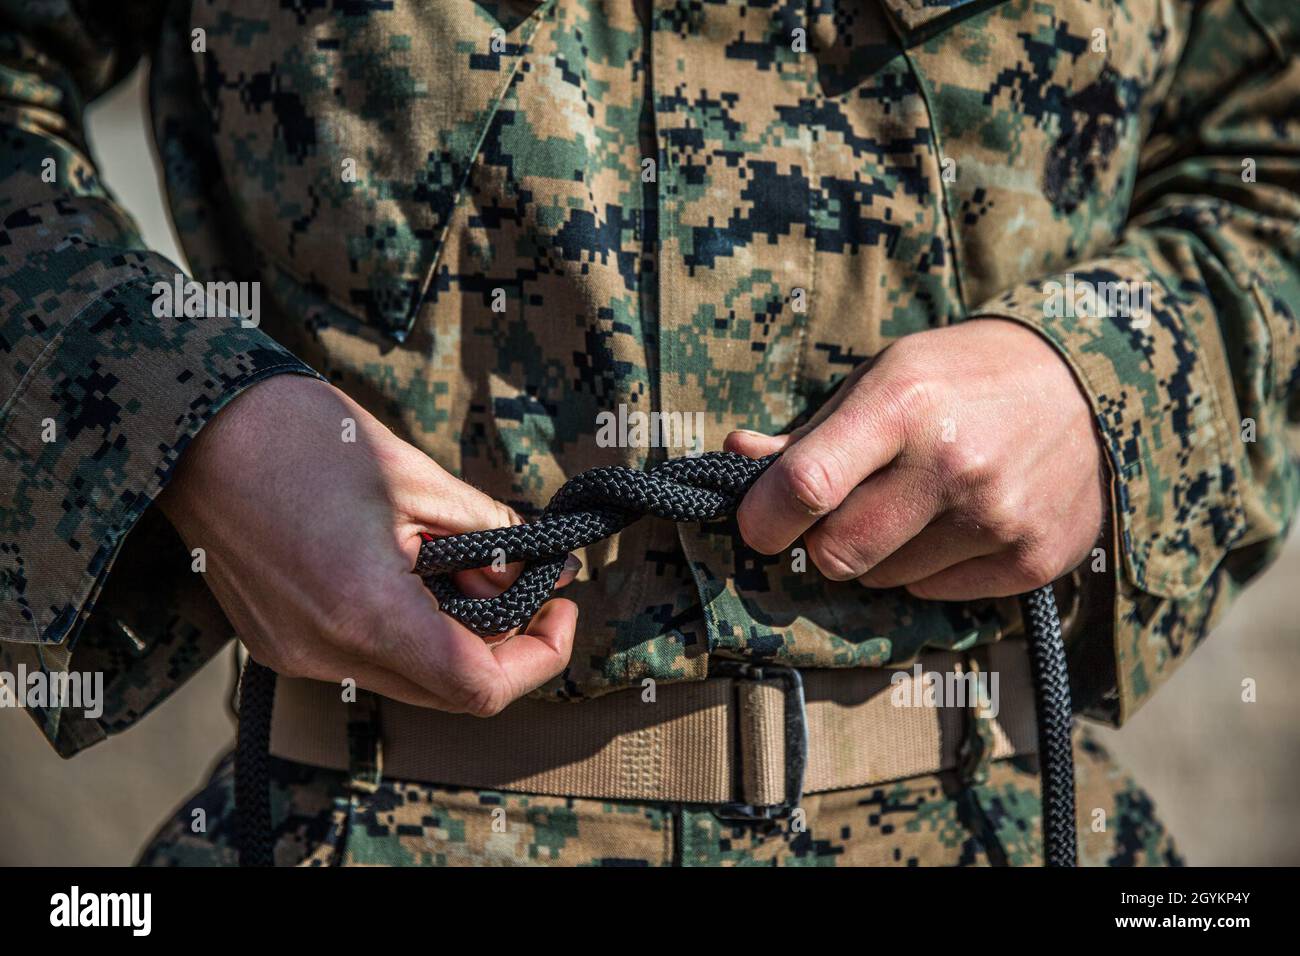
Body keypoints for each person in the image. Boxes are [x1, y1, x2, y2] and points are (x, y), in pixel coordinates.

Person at [1, 0, 1295, 866]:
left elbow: (1273, 142)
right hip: (353, 820)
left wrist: (1103, 377)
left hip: (992, 815)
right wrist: (198, 427)